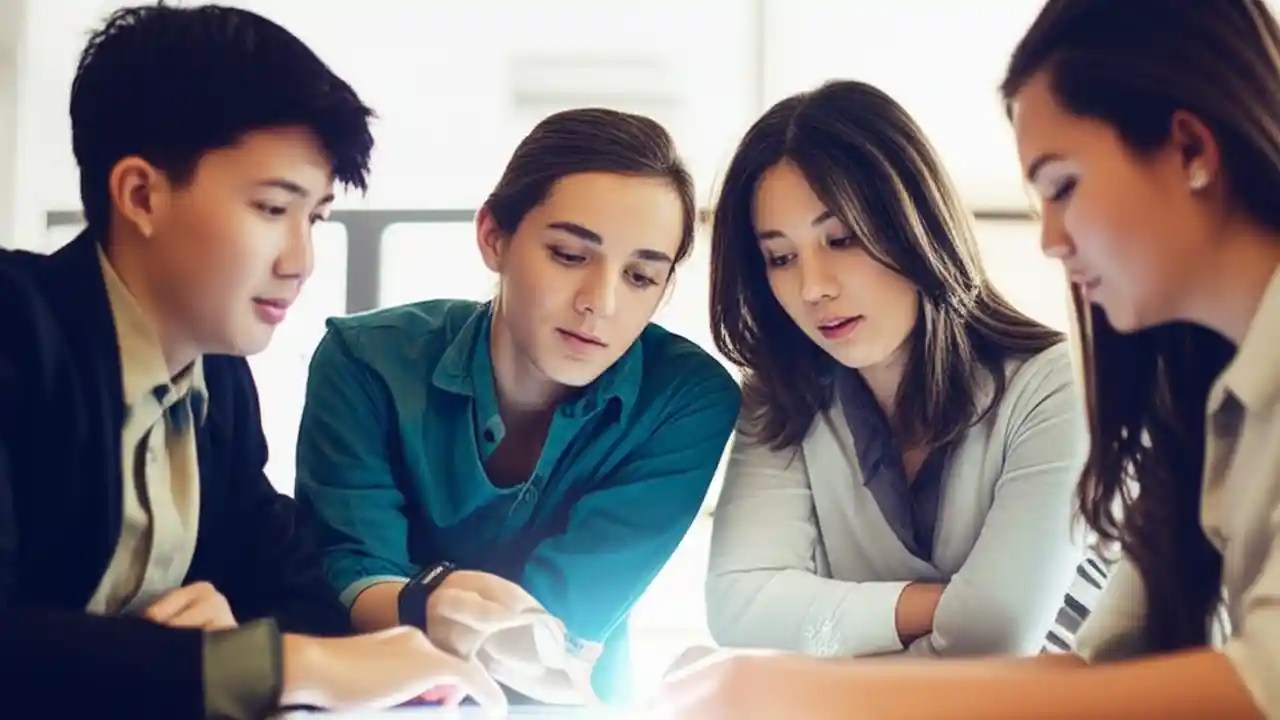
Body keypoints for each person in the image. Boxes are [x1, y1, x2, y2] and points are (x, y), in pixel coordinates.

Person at [657, 1, 1279, 718]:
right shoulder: (1201, 398)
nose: (1048, 239)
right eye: (778, 257)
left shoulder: (1058, 386)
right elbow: (1101, 667)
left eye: (1062, 187)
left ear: (1192, 150)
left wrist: (809, 685)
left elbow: (1257, 686)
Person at [0, 5, 504, 717]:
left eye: (315, 218)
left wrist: (230, 649)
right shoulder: (18, 331)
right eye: (272, 209)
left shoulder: (218, 383)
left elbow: (295, 586)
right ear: (141, 194)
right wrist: (268, 664)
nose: (300, 262)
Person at [295, 107, 742, 703]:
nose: (600, 303)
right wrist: (425, 603)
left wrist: (427, 605)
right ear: (493, 237)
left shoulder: (688, 400)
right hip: (369, 694)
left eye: (640, 276)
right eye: (569, 255)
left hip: (556, 703)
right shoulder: (364, 361)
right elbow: (351, 565)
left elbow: (566, 629)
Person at [703, 79, 1085, 660]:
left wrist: (834, 629)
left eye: (843, 239)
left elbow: (994, 634)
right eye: (781, 258)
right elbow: (740, 608)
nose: (813, 287)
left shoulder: (1058, 389)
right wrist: (949, 604)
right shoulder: (781, 398)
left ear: (915, 225)